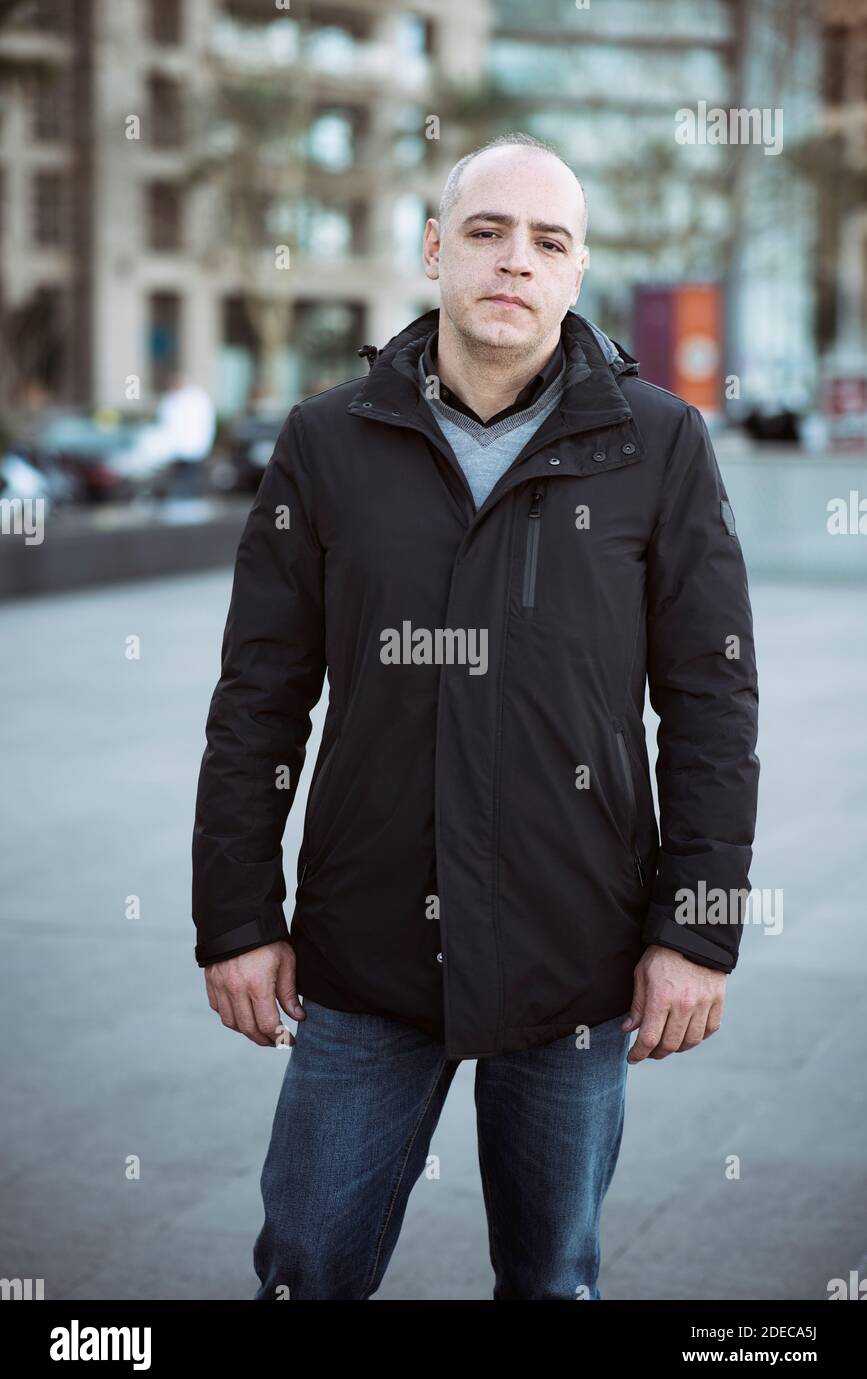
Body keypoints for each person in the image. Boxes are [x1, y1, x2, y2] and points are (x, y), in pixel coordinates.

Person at [191, 132, 760, 1300]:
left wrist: (697, 931)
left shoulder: (659, 446)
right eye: (490, 231)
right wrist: (236, 915)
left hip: (576, 954)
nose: (516, 260)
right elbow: (258, 698)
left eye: (548, 241)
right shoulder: (326, 440)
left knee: (553, 1282)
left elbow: (711, 699)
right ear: (435, 249)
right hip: (367, 951)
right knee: (305, 1269)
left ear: (576, 273)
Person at [155, 371, 216, 503]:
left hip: (193, 447)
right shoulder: (172, 398)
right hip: (178, 449)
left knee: (190, 479)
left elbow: (203, 423)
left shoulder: (196, 398)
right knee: (180, 479)